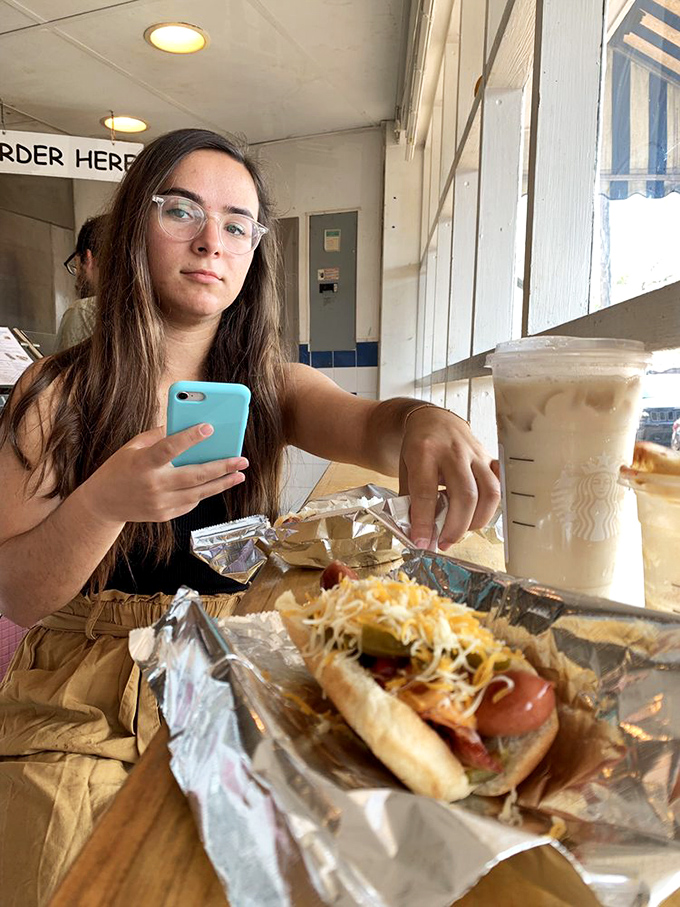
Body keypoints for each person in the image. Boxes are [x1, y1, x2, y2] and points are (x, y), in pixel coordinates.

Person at [0, 128, 500, 905]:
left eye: (237, 224)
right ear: (135, 225)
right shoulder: (57, 395)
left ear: (254, 250)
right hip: (82, 680)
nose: (211, 241)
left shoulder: (272, 386)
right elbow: (17, 594)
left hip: (237, 657)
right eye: (181, 212)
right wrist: (102, 503)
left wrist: (424, 419)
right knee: (55, 872)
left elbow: (373, 425)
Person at [56, 214, 106, 350]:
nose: (76, 275)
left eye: (75, 265)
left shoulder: (82, 312)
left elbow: (66, 371)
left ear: (87, 259)